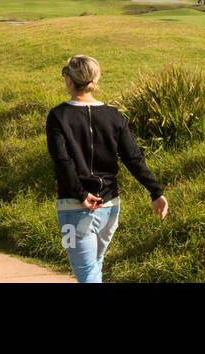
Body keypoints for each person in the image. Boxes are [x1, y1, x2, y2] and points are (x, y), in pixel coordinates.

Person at [46, 55, 168, 283]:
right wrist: (155, 191)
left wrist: (81, 194)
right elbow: (134, 158)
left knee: (87, 274)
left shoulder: (58, 116)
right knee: (94, 267)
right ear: (96, 79)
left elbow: (62, 160)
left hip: (74, 208)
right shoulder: (114, 116)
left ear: (69, 81)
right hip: (110, 208)